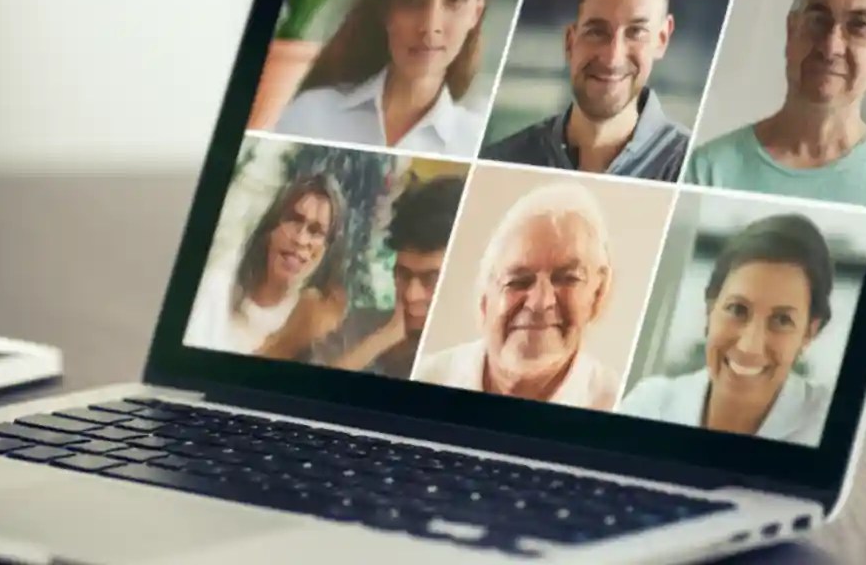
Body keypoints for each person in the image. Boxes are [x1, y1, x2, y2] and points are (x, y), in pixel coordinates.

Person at [687, 0, 866, 207]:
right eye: (819, 20)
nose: (831, 47)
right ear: (791, 29)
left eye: (859, 26)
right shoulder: (706, 170)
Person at [273, 0, 491, 157]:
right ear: (386, 9)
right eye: (412, 0)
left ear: (476, 14)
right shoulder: (312, 114)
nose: (430, 27)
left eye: (455, 0)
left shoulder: (475, 142)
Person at [481, 0, 691, 181]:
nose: (612, 58)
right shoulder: (499, 163)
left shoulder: (688, 170)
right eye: (597, 31)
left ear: (662, 39)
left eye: (636, 32)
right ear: (570, 42)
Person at [618, 214, 835, 446]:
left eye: (782, 320)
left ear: (809, 332)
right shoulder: (650, 406)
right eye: (737, 309)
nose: (749, 347)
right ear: (710, 308)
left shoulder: (831, 426)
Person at [414, 182, 619, 411]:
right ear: (484, 301)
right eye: (518, 281)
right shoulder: (425, 380)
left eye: (567, 279)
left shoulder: (615, 404)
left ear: (598, 294)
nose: (540, 303)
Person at [314, 175, 466, 378]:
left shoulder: (465, 358)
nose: (411, 295)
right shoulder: (354, 327)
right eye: (403, 274)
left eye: (431, 279)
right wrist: (379, 341)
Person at [183, 173, 349, 359]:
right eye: (294, 220)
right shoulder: (217, 289)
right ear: (271, 228)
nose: (301, 239)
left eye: (316, 231)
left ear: (327, 249)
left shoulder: (313, 326)